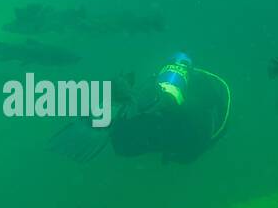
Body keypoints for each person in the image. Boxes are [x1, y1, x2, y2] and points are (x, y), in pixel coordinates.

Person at [51, 52, 230, 164]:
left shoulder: (165, 80)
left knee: (131, 125)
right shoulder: (204, 84)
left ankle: (113, 110)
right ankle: (119, 109)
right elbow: (216, 122)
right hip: (160, 126)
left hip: (141, 123)